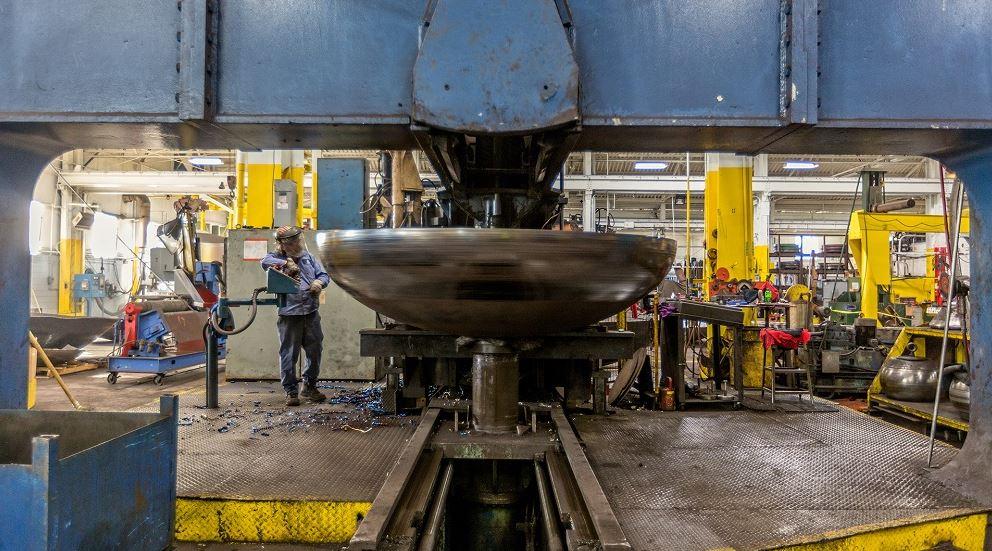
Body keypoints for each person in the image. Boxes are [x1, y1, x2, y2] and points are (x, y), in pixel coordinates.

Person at [261, 226, 330, 406]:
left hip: (311, 313)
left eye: (298, 240)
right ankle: (291, 391)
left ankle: (309, 387)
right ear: (283, 245)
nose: (297, 244)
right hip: (290, 314)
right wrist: (286, 264)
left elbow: (324, 274)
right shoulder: (276, 259)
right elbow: (264, 261)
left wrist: (318, 282)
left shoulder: (309, 258)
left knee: (315, 351)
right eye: (292, 242)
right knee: (289, 354)